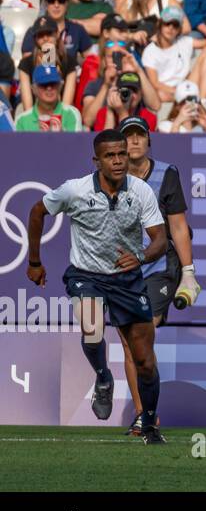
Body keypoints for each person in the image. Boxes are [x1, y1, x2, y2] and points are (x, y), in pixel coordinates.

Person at [26, 130, 168, 442]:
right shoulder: (75, 190)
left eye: (121, 154)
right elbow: (37, 211)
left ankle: (150, 424)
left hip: (128, 280)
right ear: (97, 161)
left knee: (145, 360)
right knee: (92, 330)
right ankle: (103, 377)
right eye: (110, 156)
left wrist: (141, 256)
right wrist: (34, 261)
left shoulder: (141, 191)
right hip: (86, 275)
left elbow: (161, 238)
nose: (118, 160)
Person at [115, 116, 197, 432]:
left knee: (142, 333)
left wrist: (188, 273)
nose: (134, 141)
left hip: (160, 267)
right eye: (128, 136)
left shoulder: (166, 173)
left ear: (148, 140)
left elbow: (177, 226)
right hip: (123, 269)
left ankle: (147, 412)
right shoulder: (110, 176)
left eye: (139, 135)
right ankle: (143, 414)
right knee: (127, 343)